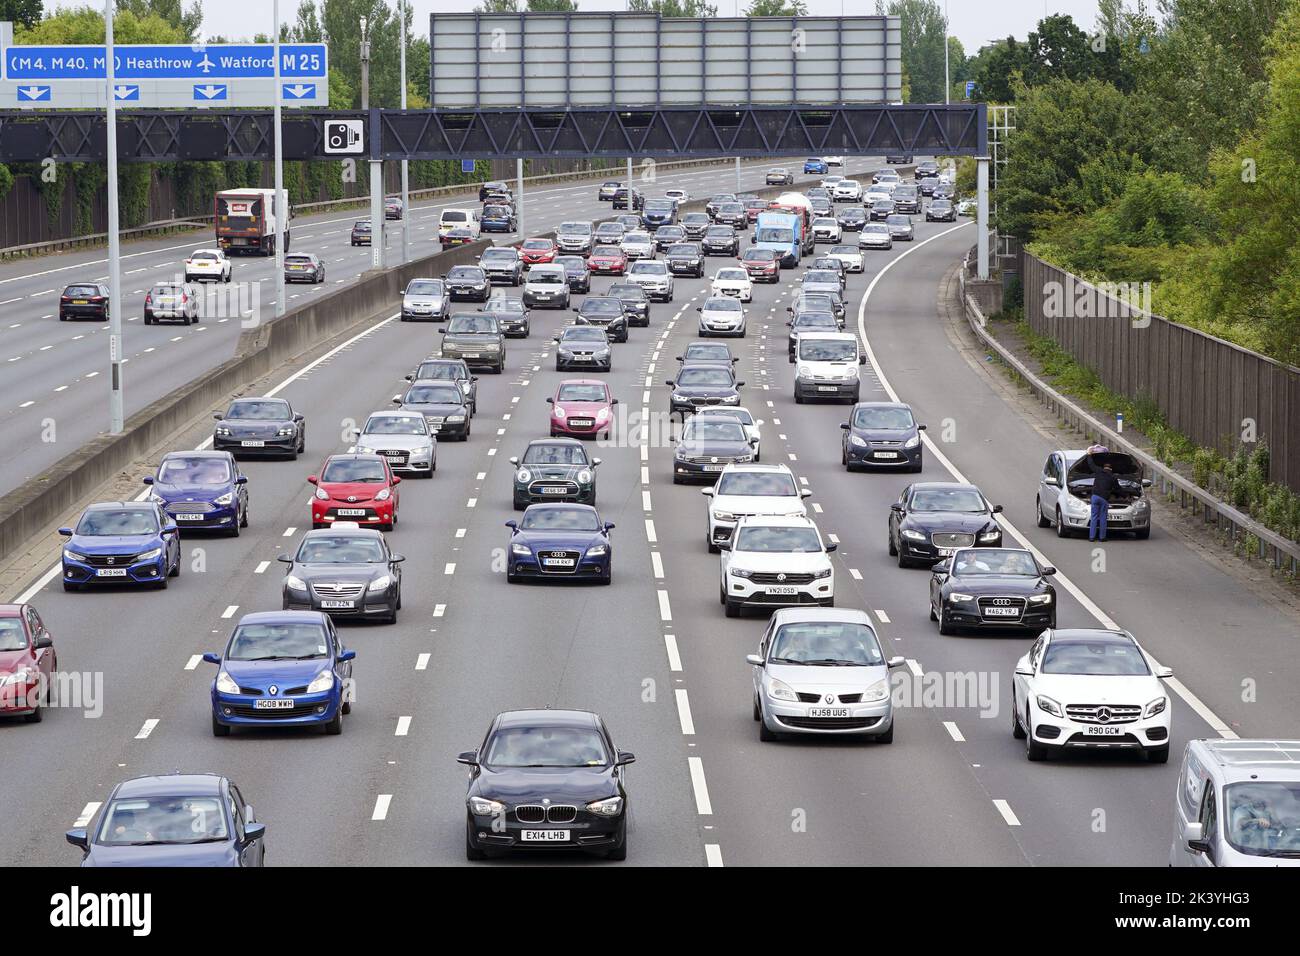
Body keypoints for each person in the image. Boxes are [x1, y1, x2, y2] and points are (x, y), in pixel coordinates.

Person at [1086, 453, 1120, 542]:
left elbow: (1091, 464)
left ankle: (1091, 537)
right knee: (1102, 518)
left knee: (1093, 517)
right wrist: (1126, 495)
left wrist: (1089, 455)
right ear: (1111, 469)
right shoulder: (1113, 477)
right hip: (1104, 499)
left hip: (1095, 496)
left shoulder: (1098, 471)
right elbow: (1118, 489)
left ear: (1104, 467)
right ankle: (1102, 538)